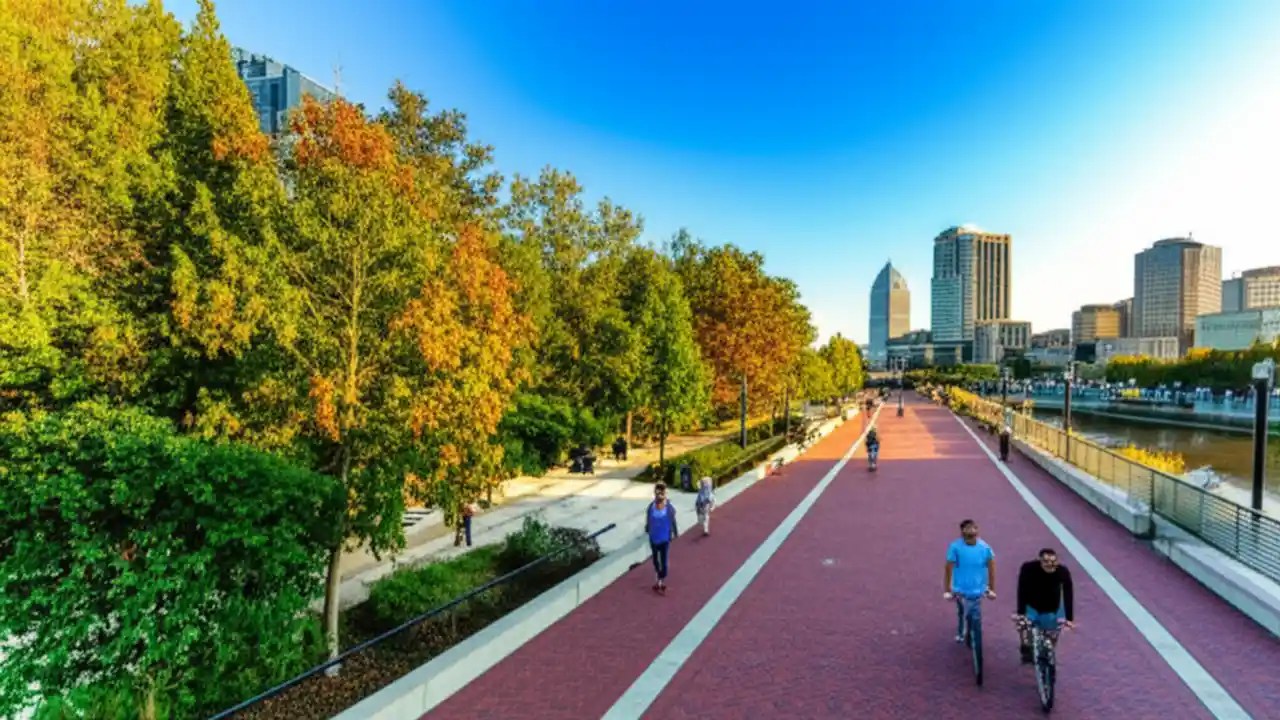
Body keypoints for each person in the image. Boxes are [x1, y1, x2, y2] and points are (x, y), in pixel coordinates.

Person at [1014, 548, 1075, 663]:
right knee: (1024, 626)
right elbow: (1021, 589)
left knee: (1052, 634)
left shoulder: (1062, 572)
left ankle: (1049, 655)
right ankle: (1025, 647)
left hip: (1051, 608)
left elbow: (1068, 593)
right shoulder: (1028, 568)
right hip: (1032, 606)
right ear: (1040, 561)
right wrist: (1020, 612)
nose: (1050, 565)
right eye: (1046, 562)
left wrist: (1069, 618)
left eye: (1053, 562)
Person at [943, 519, 997, 643]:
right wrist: (947, 590)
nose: (971, 530)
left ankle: (975, 632)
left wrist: (992, 589)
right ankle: (961, 631)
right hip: (960, 589)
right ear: (962, 531)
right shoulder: (955, 547)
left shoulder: (985, 547)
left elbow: (992, 568)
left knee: (976, 613)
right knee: (962, 611)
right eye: (968, 528)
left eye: (974, 527)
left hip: (979, 588)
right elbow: (948, 568)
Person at [645, 482, 679, 594]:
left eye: (662, 493)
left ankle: (660, 579)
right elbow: (648, 519)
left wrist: (675, 532)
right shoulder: (651, 507)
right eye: (657, 492)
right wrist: (648, 528)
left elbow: (673, 520)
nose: (659, 495)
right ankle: (659, 579)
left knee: (664, 562)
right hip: (654, 538)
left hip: (665, 539)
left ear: (665, 494)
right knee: (655, 560)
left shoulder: (669, 509)